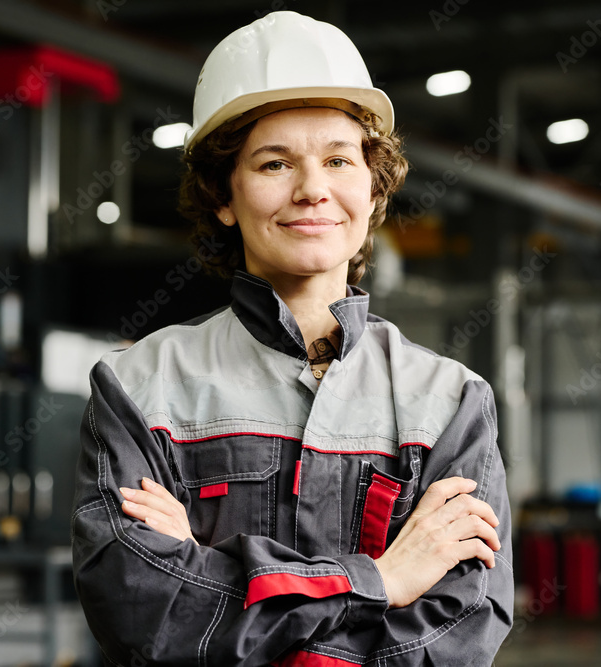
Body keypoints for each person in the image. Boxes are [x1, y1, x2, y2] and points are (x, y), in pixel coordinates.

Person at [71, 11, 513, 666]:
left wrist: (209, 570)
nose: (312, 189)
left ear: (372, 187)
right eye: (275, 163)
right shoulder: (140, 386)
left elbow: (463, 625)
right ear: (224, 195)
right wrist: (383, 580)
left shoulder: (449, 401)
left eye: (338, 159)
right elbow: (140, 601)